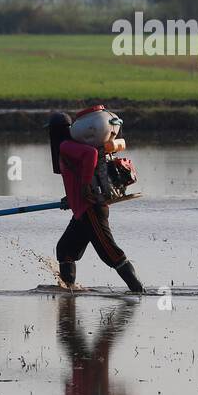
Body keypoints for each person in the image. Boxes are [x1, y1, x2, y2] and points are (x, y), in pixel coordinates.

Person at [48, 107, 145, 292]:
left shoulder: (65, 146)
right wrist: (70, 198)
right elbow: (77, 173)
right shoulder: (70, 147)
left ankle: (139, 291)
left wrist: (84, 186)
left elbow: (91, 156)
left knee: (111, 254)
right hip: (82, 210)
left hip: (90, 209)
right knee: (65, 250)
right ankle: (69, 294)